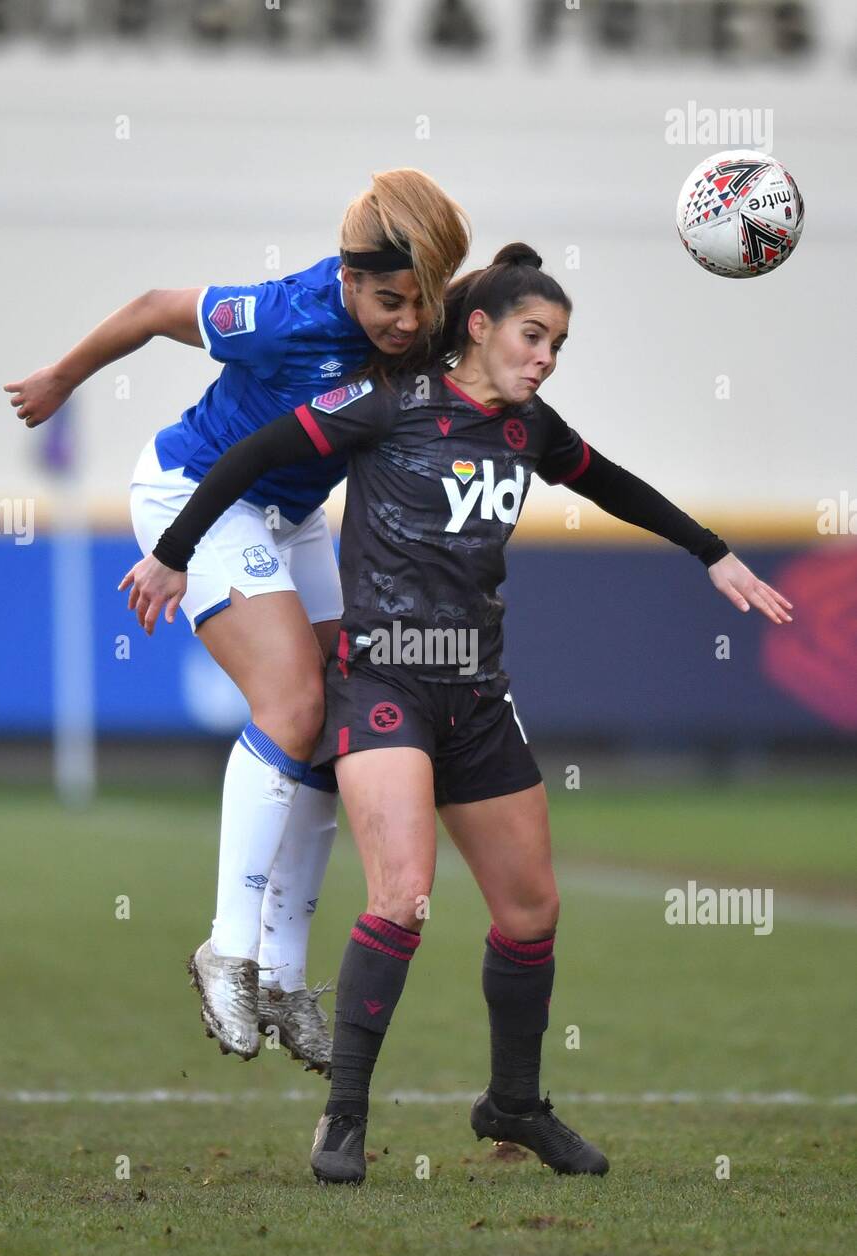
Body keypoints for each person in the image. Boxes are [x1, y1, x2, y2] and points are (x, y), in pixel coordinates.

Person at [119, 244, 793, 1181]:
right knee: (402, 896)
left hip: (477, 692)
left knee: (531, 912)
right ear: (478, 328)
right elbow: (254, 455)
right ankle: (343, 1119)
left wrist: (711, 551)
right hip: (386, 682)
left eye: (558, 342)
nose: (547, 356)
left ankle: (512, 1103)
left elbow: (609, 479)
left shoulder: (531, 429)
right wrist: (177, 550)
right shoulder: (391, 402)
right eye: (533, 335)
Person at [5, 170, 470, 1072]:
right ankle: (230, 944)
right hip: (193, 496)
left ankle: (286, 977)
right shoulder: (283, 315)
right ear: (347, 275)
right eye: (387, 301)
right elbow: (149, 308)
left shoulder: (426, 316)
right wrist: (62, 376)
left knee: (342, 719)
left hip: (288, 517)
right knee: (292, 705)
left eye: (424, 302)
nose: (408, 324)